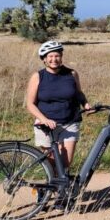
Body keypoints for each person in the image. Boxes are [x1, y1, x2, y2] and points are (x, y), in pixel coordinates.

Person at [25, 41, 91, 173]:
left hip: (70, 122)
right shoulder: (38, 77)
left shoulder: (72, 74)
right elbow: (30, 104)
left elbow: (78, 93)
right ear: (44, 59)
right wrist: (44, 119)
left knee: (65, 164)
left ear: (61, 57)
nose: (54, 59)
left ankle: (62, 185)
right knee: (51, 165)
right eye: (50, 56)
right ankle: (52, 185)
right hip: (46, 125)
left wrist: (86, 104)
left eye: (57, 56)